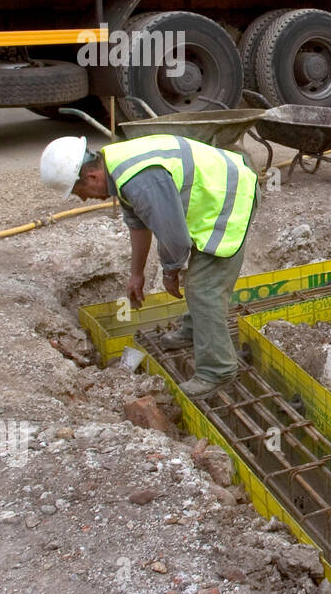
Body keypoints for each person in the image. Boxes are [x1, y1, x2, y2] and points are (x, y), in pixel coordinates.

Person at [40, 133, 258, 398]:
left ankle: (218, 372)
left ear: (92, 178)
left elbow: (175, 237)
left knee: (204, 289)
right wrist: (136, 274)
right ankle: (195, 330)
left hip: (231, 197)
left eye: (79, 193)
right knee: (200, 282)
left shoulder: (138, 181)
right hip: (210, 198)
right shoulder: (118, 167)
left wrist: (170, 271)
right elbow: (139, 224)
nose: (84, 200)